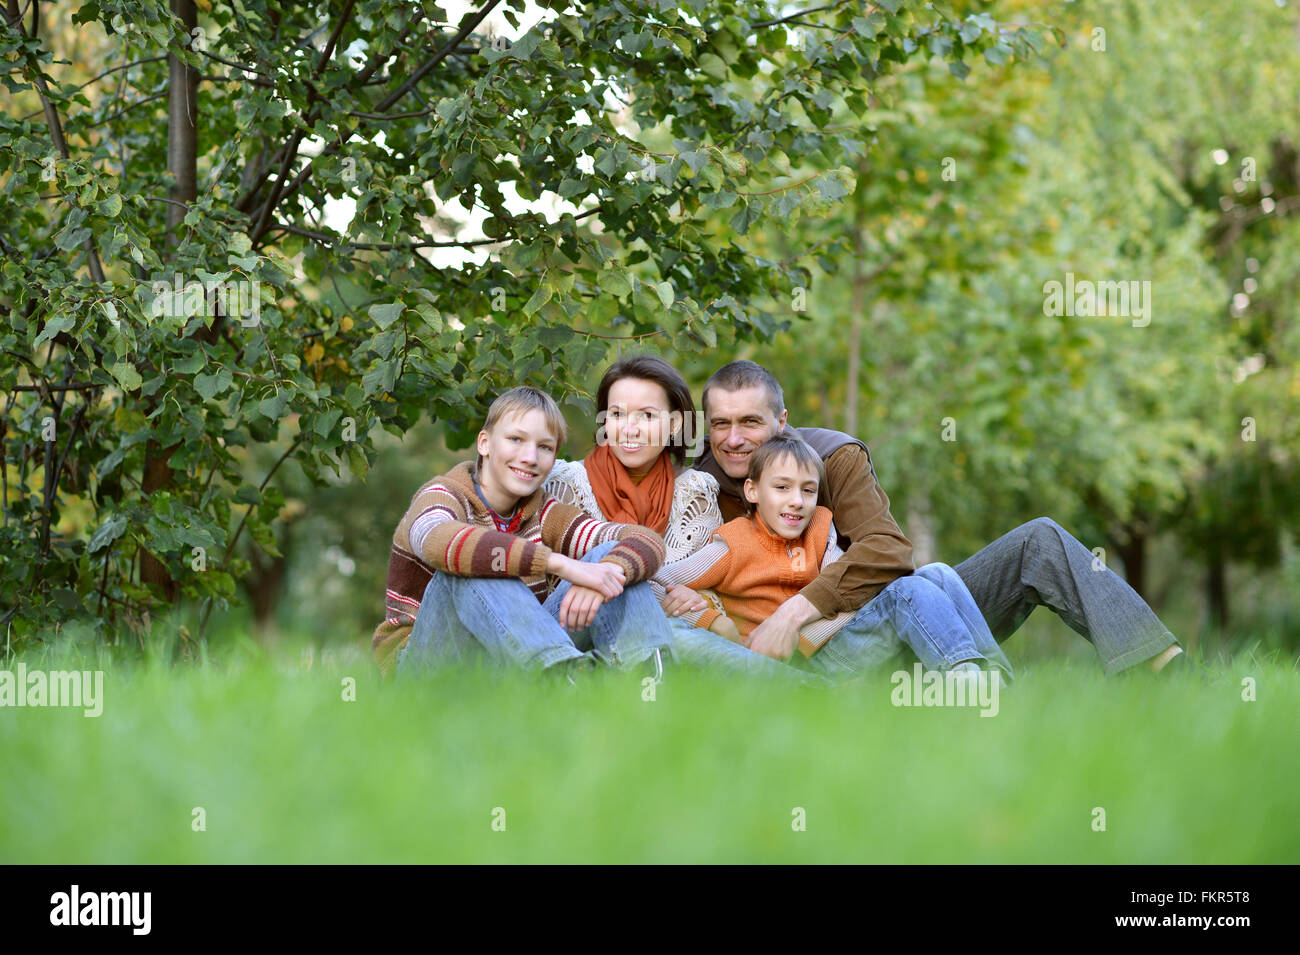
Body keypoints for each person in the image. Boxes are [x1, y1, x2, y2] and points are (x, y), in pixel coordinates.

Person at [689, 360, 1190, 677]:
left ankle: (1162, 668)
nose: (735, 439)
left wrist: (793, 612)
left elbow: (886, 550)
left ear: (781, 421)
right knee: (933, 579)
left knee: (1026, 545)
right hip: (823, 663)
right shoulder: (699, 487)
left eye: (750, 422)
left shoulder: (831, 456)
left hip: (900, 622)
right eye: (721, 425)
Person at [655, 433, 1013, 681]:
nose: (797, 500)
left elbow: (849, 597)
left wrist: (800, 631)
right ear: (752, 490)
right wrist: (703, 612)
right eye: (782, 488)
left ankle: (985, 679)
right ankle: (969, 682)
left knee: (932, 576)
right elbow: (657, 582)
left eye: (808, 490)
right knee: (909, 590)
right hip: (786, 667)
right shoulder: (732, 545)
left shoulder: (821, 529)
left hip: (835, 647)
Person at [543, 355, 815, 681]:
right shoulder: (563, 482)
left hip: (657, 636)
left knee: (676, 634)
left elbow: (716, 589)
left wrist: (698, 598)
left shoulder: (696, 492)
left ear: (674, 425)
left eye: (646, 415)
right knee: (637, 593)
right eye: (616, 415)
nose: (629, 429)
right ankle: (812, 693)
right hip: (566, 635)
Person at [371, 385, 672, 679]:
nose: (530, 457)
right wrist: (564, 565)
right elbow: (437, 541)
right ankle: (563, 683)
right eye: (516, 439)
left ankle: (651, 682)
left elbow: (646, 541)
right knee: (474, 561)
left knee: (612, 560)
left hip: (510, 658)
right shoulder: (443, 494)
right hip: (426, 665)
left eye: (544, 447)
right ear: (485, 443)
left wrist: (604, 571)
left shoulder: (544, 513)